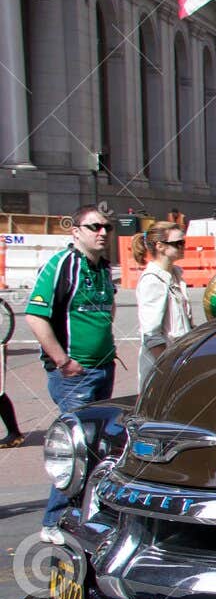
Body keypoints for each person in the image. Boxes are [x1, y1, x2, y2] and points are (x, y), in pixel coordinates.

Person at [25, 205, 118, 542]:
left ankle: (83, 516)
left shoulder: (103, 269)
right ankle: (54, 521)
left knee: (98, 447)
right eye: (94, 226)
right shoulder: (63, 265)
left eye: (107, 227)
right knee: (77, 448)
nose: (102, 233)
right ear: (75, 231)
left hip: (101, 369)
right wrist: (63, 361)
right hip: (75, 375)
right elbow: (35, 316)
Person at [134, 221, 194, 390]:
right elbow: (151, 335)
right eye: (178, 243)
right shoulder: (153, 280)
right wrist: (168, 370)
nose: (183, 247)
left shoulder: (175, 275)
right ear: (160, 246)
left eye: (184, 242)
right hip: (164, 373)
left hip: (179, 363)